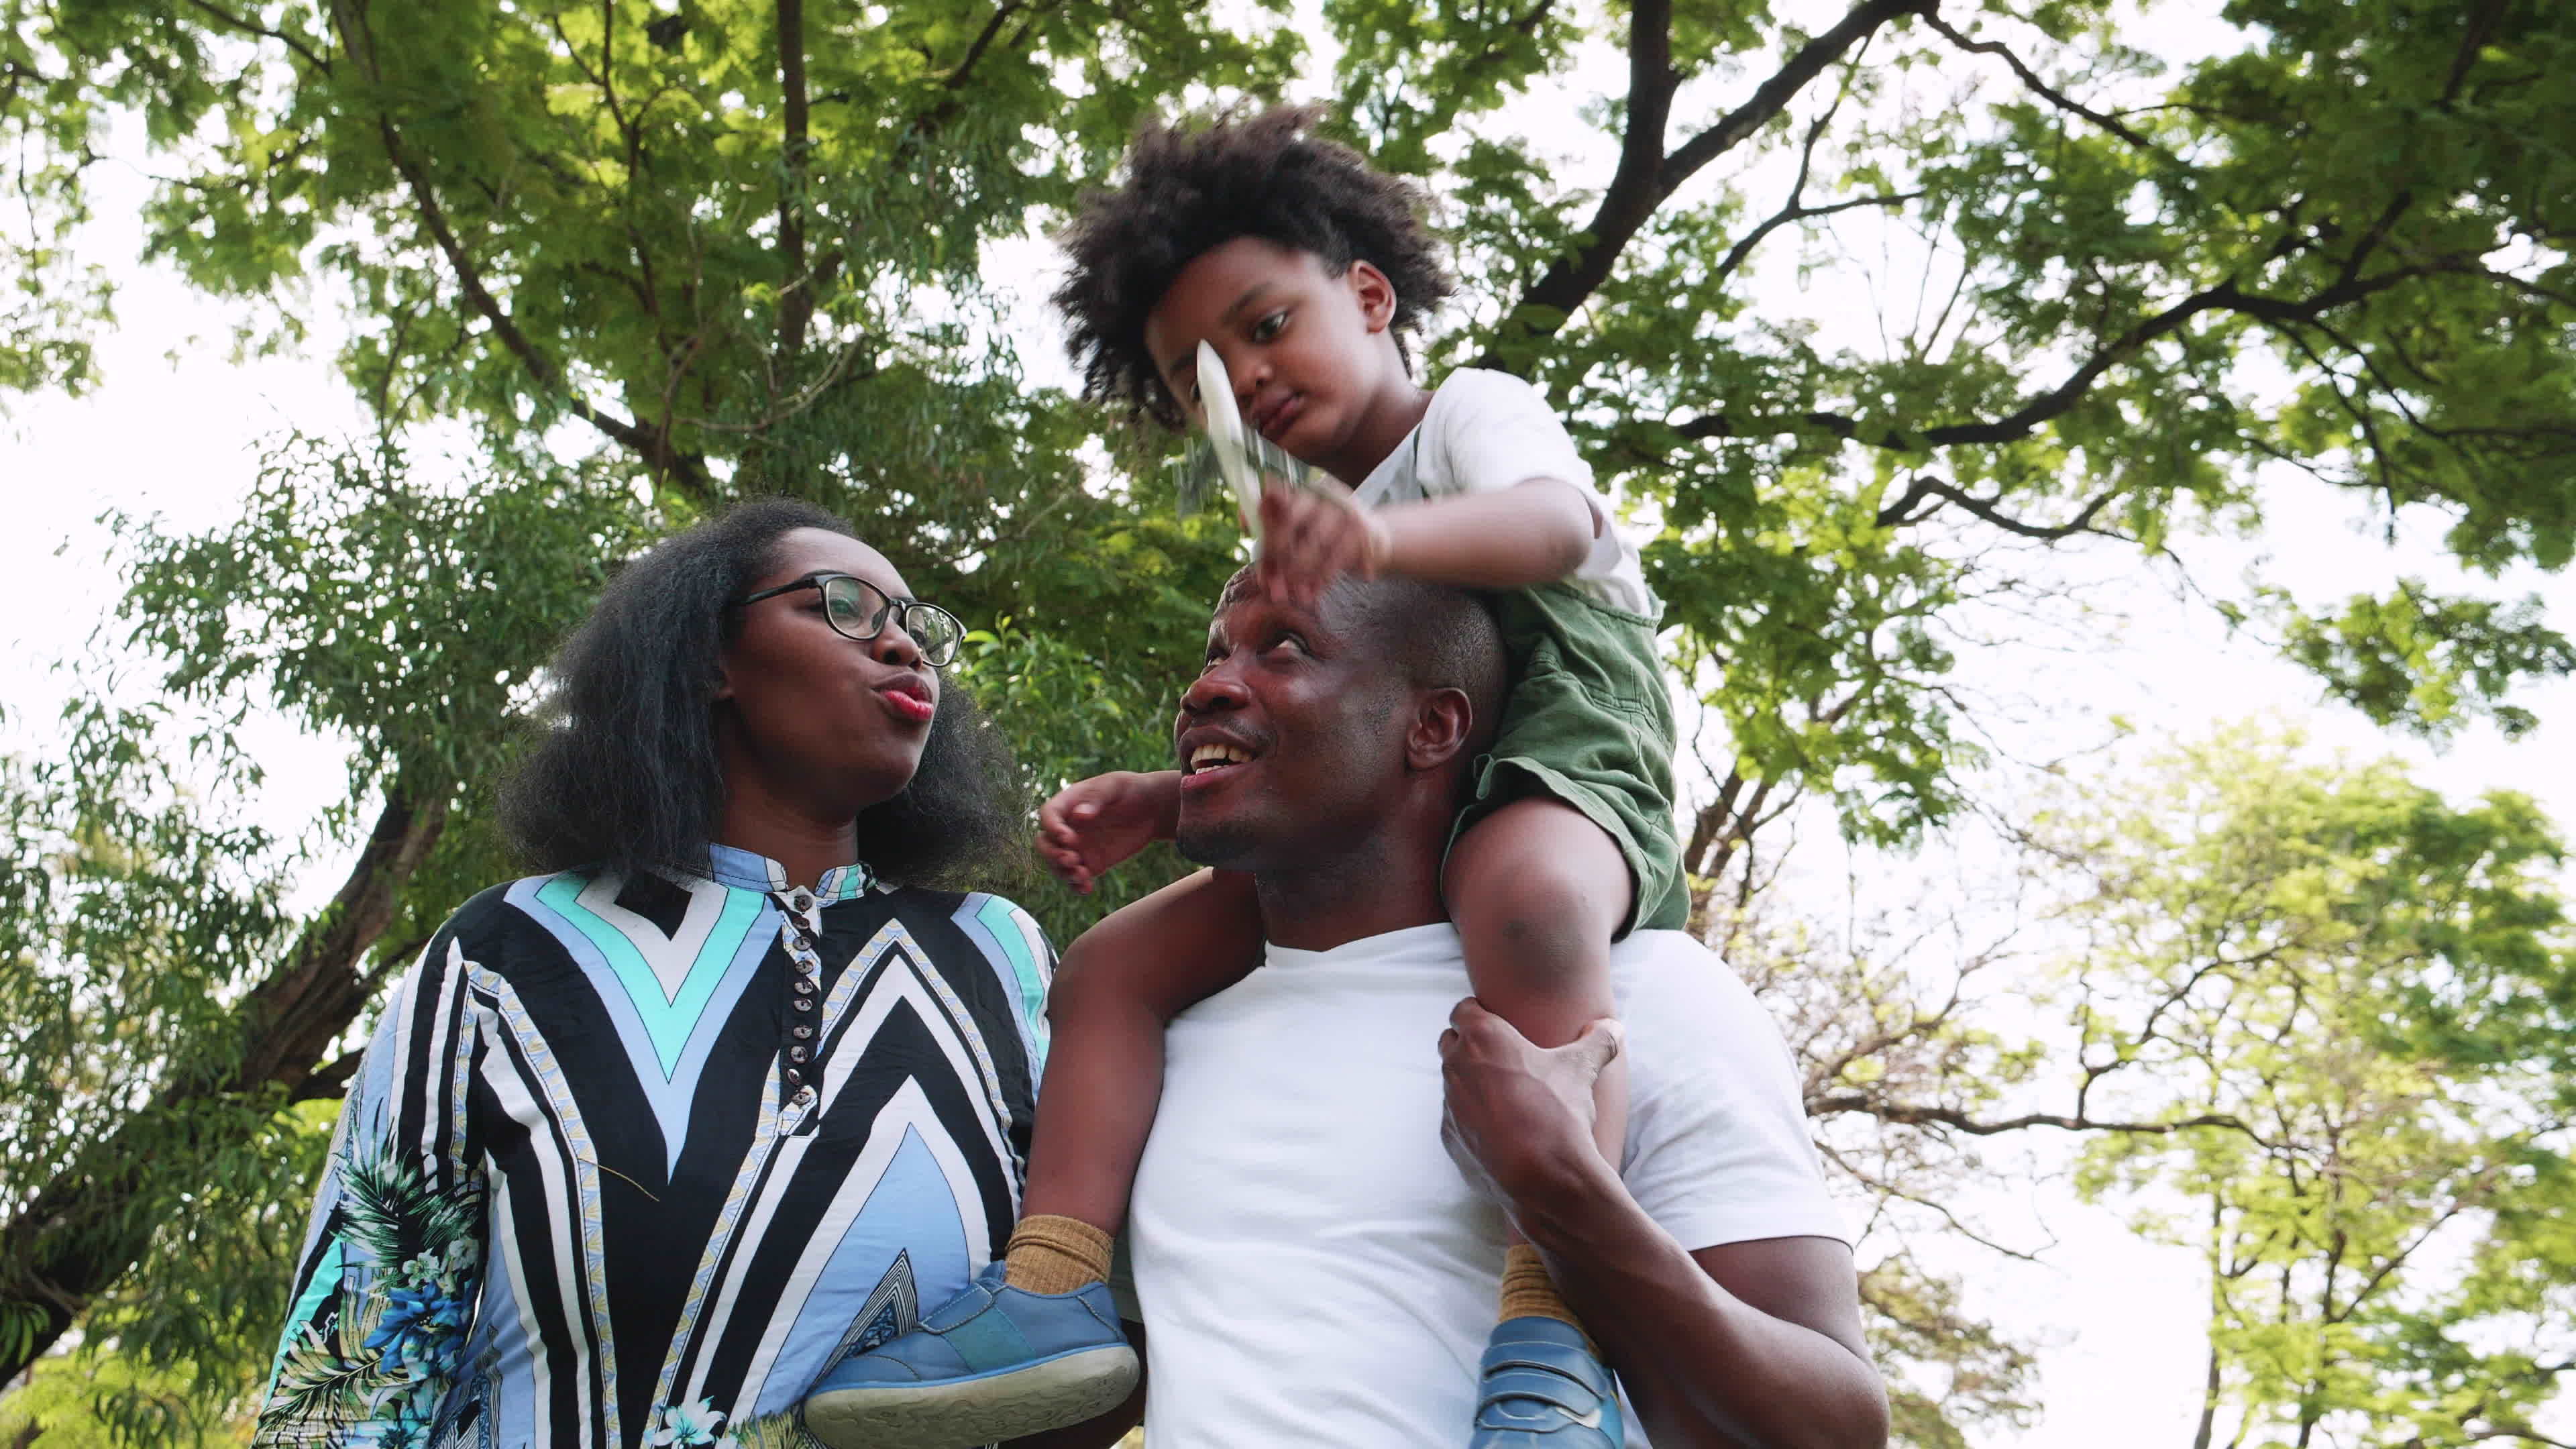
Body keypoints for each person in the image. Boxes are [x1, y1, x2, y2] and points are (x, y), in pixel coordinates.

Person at [810, 103, 1689, 1449]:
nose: (1245, 370)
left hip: (1563, 734)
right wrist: (1170, 798)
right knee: (1111, 965)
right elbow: (1319, 746)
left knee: (1525, 896)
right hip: (1399, 805)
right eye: (1197, 369)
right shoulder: (1298, 533)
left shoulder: (1468, 418)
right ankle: (1054, 1285)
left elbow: (1558, 524)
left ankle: (1554, 1333)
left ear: (1371, 293)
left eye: (1266, 323)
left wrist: (1385, 545)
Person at [250, 501, 1136, 1449]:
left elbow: (1087, 1346)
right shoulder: (501, 957)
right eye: (845, 606)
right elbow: (351, 1383)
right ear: (709, 656)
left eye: (916, 628)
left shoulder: (1001, 957)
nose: (903, 649)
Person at [1128, 573, 1884, 1446]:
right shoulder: (1162, 1029)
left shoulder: (1636, 995)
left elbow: (1838, 1428)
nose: (1207, 687)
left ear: (1432, 727)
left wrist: (1568, 1197)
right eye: (1217, 652)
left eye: (1287, 649)